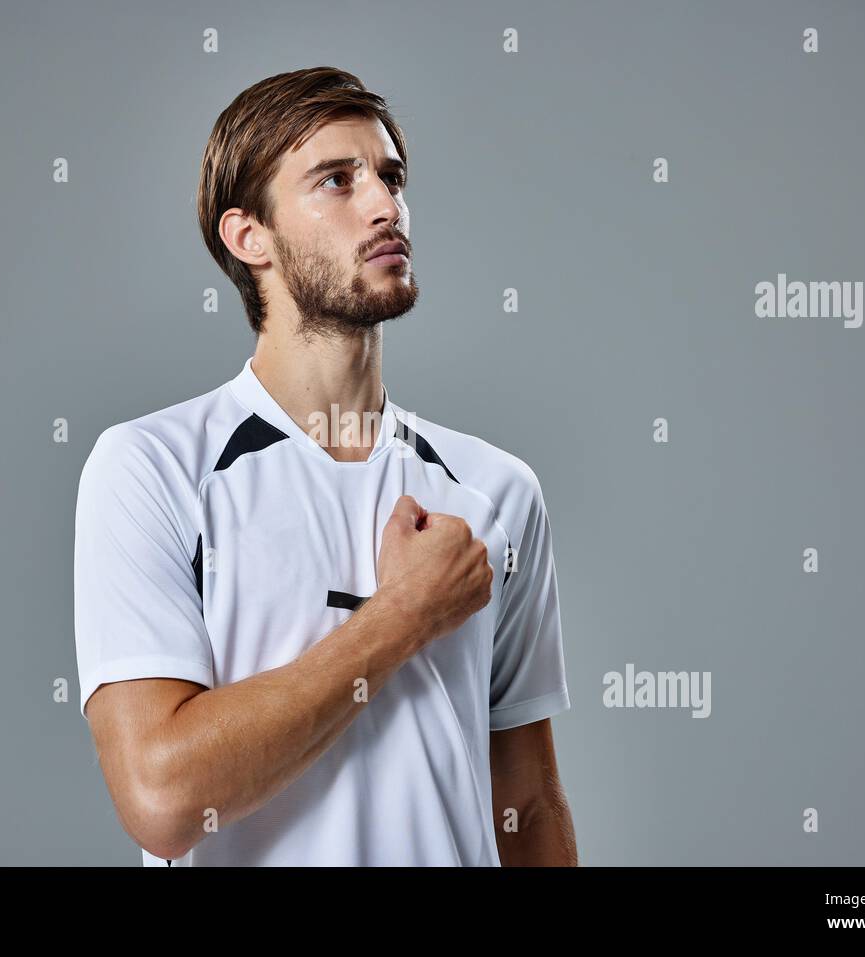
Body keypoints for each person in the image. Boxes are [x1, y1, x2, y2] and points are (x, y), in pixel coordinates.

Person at [73, 66, 576, 866]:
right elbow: (163, 801)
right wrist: (403, 615)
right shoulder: (152, 468)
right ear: (250, 237)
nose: (385, 206)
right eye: (336, 180)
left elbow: (529, 800)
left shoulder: (496, 489)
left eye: (391, 178)